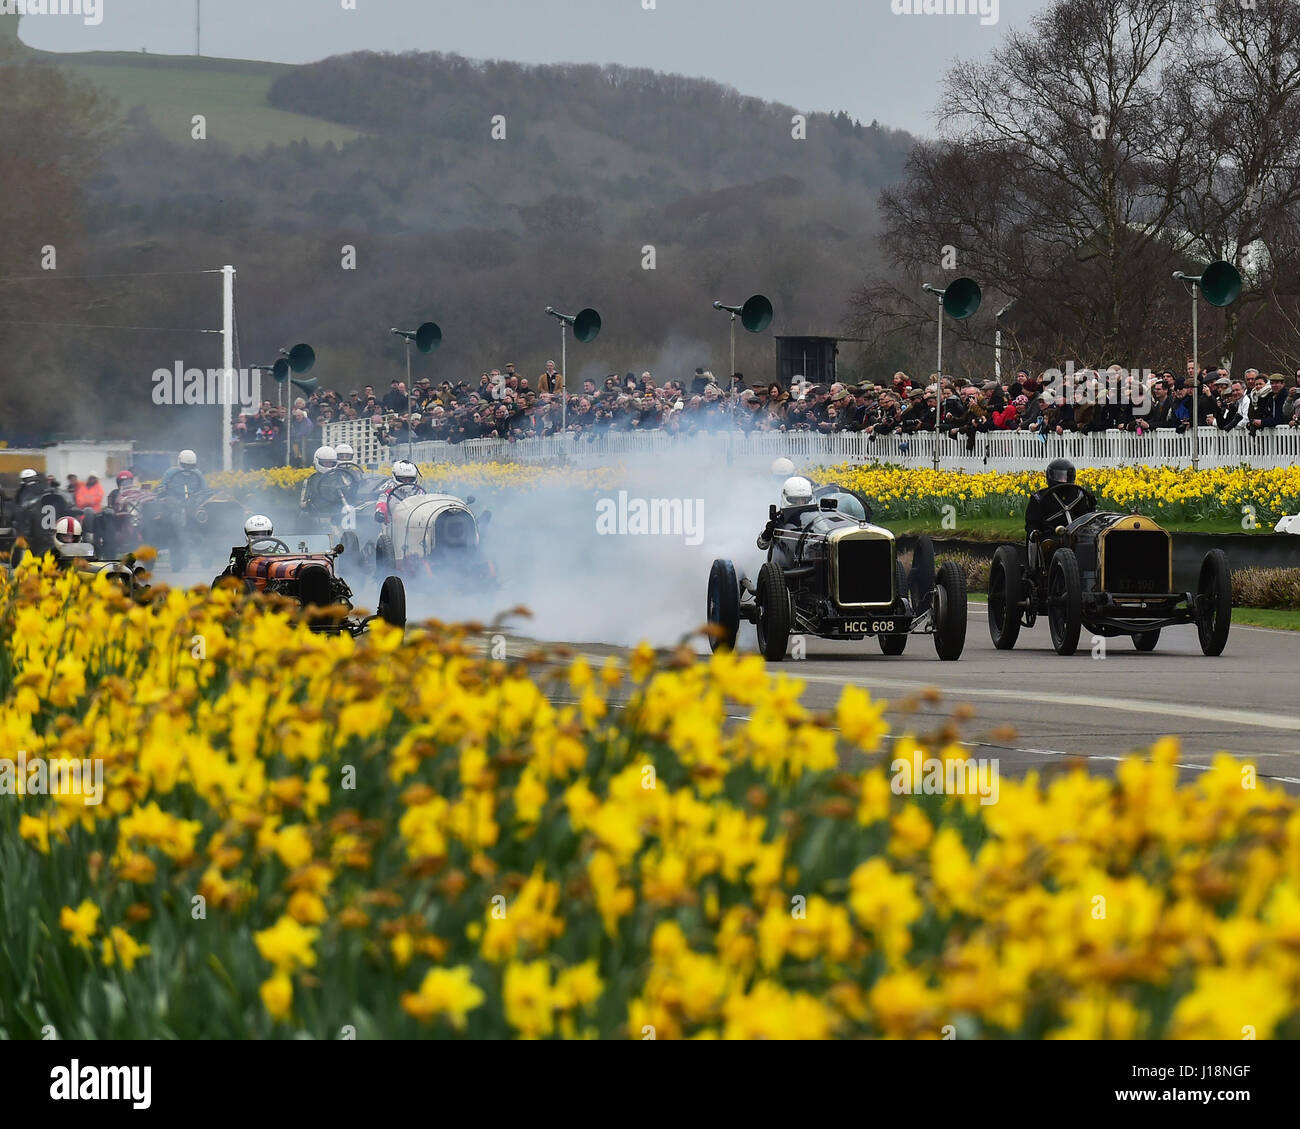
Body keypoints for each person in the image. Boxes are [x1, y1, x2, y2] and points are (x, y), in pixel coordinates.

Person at [1024, 459, 1096, 542]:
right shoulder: (1039, 497)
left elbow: (1085, 514)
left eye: (1065, 477)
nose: (1062, 480)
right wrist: (1033, 533)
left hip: (1075, 531)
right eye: (1059, 477)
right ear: (1050, 476)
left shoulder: (1079, 494)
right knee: (1049, 541)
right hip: (1050, 532)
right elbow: (1032, 522)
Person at [757, 475, 815, 550]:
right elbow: (762, 545)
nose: (801, 503)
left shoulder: (815, 519)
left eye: (805, 499)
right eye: (794, 500)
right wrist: (767, 534)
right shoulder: (779, 520)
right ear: (786, 498)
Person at [374, 460, 426, 525]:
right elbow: (382, 503)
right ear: (395, 477)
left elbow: (425, 506)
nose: (407, 482)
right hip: (392, 527)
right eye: (403, 479)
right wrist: (380, 512)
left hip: (415, 526)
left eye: (410, 479)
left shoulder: (419, 492)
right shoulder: (388, 491)